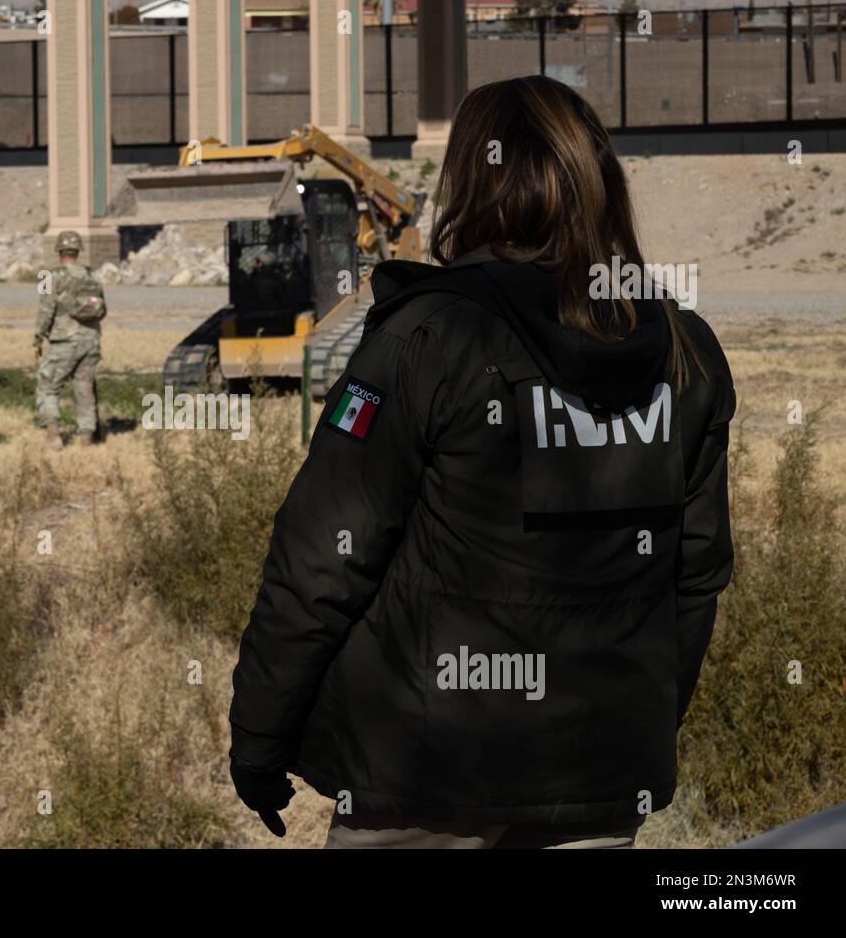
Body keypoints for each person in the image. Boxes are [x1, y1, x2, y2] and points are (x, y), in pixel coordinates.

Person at [228, 75, 736, 849]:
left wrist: (260, 739)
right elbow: (694, 577)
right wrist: (636, 725)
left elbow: (323, 561)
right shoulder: (684, 351)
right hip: (595, 776)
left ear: (475, 181)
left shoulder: (426, 339)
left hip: (425, 779)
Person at [34, 230, 107, 450]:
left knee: (48, 387)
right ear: (78, 251)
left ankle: (53, 436)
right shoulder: (94, 276)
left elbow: (45, 309)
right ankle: (86, 437)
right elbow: (103, 310)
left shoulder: (47, 276)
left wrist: (38, 337)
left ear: (59, 251)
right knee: (84, 388)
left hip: (64, 341)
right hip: (91, 341)